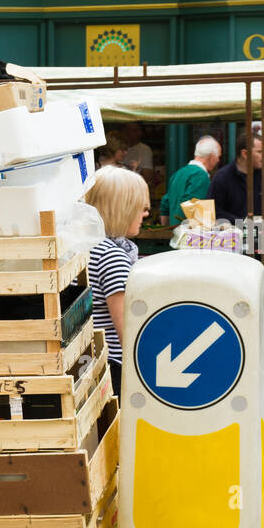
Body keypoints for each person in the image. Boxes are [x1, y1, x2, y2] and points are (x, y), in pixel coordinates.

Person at [85, 166, 150, 394]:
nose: (145, 214)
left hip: (91, 364)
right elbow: (128, 331)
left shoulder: (87, 246)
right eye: (141, 208)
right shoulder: (112, 256)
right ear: (122, 209)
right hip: (114, 369)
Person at [206, 129, 264, 226]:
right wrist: (242, 223)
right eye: (260, 152)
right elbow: (213, 212)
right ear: (245, 154)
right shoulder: (222, 177)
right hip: (230, 237)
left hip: (262, 236)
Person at [160, 136, 221, 227]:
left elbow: (165, 205)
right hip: (189, 237)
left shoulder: (178, 173)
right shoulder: (201, 176)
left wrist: (169, 232)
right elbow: (194, 212)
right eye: (218, 156)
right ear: (211, 156)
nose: (218, 160)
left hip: (175, 236)